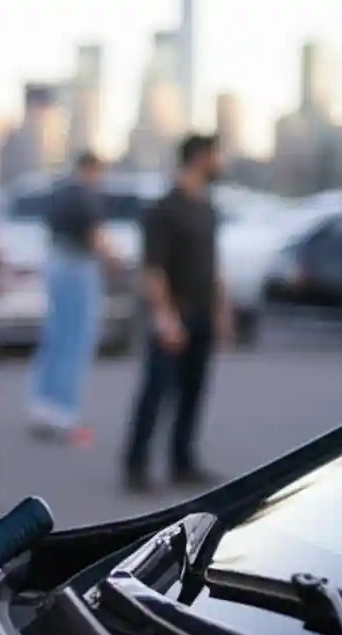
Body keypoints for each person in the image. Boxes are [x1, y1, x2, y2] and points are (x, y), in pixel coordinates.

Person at [122, 134, 233, 490]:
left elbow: (213, 265)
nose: (221, 162)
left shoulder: (208, 208)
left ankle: (182, 462)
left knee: (193, 392)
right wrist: (165, 317)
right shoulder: (164, 209)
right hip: (174, 315)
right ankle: (136, 466)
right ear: (200, 158)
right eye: (217, 155)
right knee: (157, 392)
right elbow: (153, 269)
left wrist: (221, 309)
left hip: (202, 313)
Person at [27, 151, 119, 446]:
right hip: (78, 267)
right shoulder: (85, 197)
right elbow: (97, 237)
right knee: (77, 340)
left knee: (56, 336)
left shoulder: (60, 193)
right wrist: (118, 263)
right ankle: (65, 412)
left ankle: (43, 406)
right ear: (92, 168)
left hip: (57, 263)